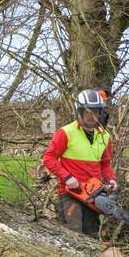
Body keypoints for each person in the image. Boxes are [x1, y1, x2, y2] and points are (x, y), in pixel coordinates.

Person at [42, 88, 118, 236]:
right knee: (74, 231)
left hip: (93, 193)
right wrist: (67, 177)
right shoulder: (66, 132)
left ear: (100, 113)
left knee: (91, 234)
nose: (91, 116)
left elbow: (105, 164)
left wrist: (111, 179)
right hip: (71, 192)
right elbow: (48, 158)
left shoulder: (105, 137)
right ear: (80, 111)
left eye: (95, 112)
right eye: (88, 111)